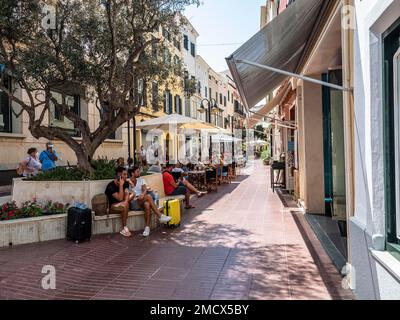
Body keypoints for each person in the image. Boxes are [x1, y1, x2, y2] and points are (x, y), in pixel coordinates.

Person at [128, 166, 171, 237]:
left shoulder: (141, 180)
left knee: (147, 204)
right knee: (148, 197)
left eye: (139, 171)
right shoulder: (128, 181)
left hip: (141, 201)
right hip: (133, 203)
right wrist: (129, 182)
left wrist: (143, 194)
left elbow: (144, 189)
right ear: (132, 173)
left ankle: (147, 228)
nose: (139, 173)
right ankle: (160, 216)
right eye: (137, 172)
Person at [105, 167, 135, 237]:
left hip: (122, 204)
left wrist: (125, 202)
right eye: (124, 174)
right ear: (119, 175)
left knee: (131, 196)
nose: (126, 176)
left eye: (126, 174)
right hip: (113, 207)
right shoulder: (111, 186)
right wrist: (121, 186)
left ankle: (124, 228)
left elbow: (127, 194)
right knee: (126, 204)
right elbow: (120, 198)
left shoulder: (125, 183)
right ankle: (124, 227)